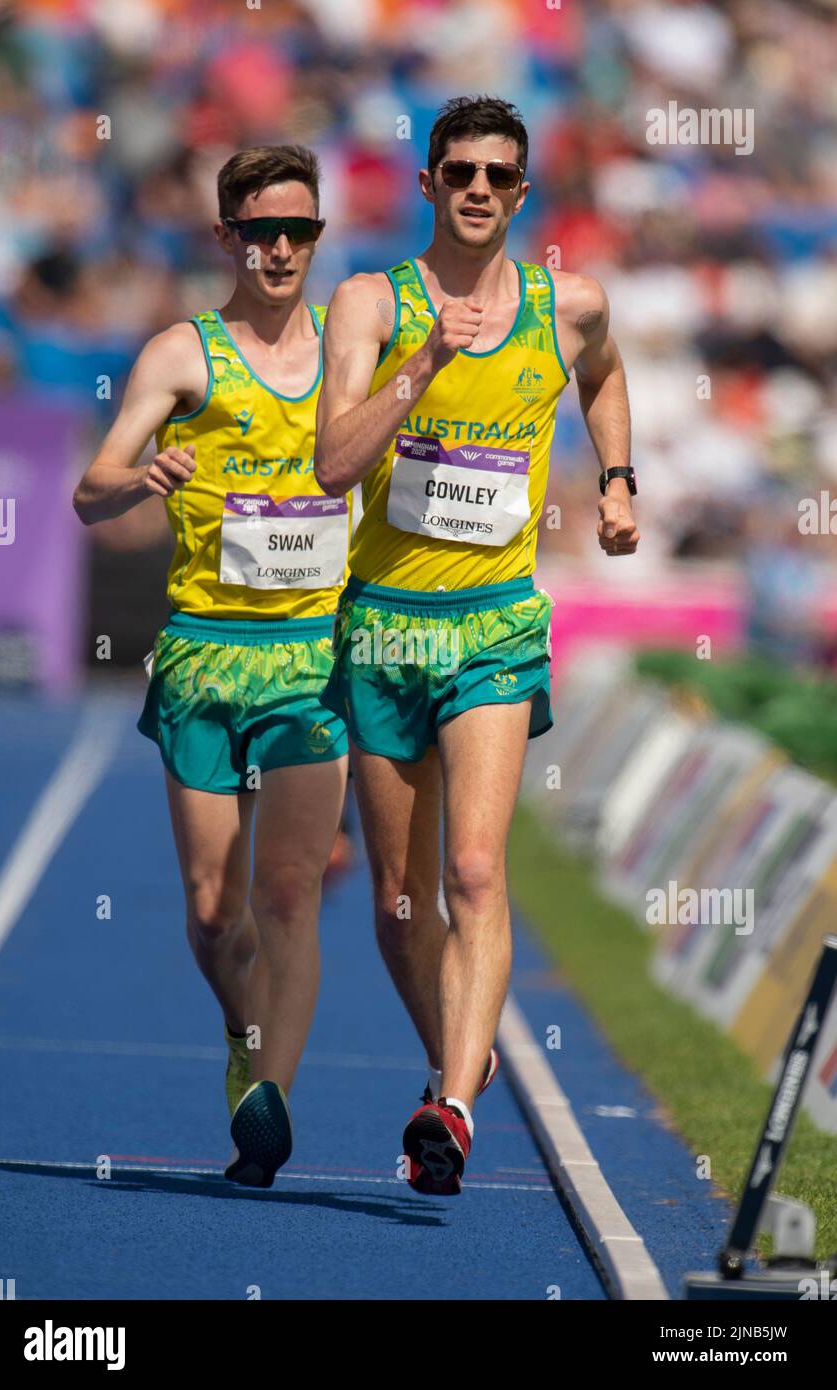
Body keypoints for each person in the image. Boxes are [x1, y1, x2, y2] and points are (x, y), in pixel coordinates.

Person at [315, 96, 639, 1196]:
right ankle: (460, 1047)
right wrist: (418, 368)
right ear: (425, 183)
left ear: (523, 189)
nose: (478, 190)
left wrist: (616, 478)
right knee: (400, 903)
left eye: (500, 174)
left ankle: (449, 1106)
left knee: (472, 868)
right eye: (458, 170)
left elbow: (600, 374)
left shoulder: (568, 304)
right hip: (380, 627)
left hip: (494, 627)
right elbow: (327, 464)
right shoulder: (370, 302)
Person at [73, 145, 351, 1188]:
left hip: (310, 661)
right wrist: (142, 473)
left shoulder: (348, 355)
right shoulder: (181, 356)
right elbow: (90, 491)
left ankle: (270, 1099)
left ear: (317, 238)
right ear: (228, 237)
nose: (280, 250)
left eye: (300, 232)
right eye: (261, 232)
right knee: (209, 908)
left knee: (288, 892)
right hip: (201, 655)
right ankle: (244, 1030)